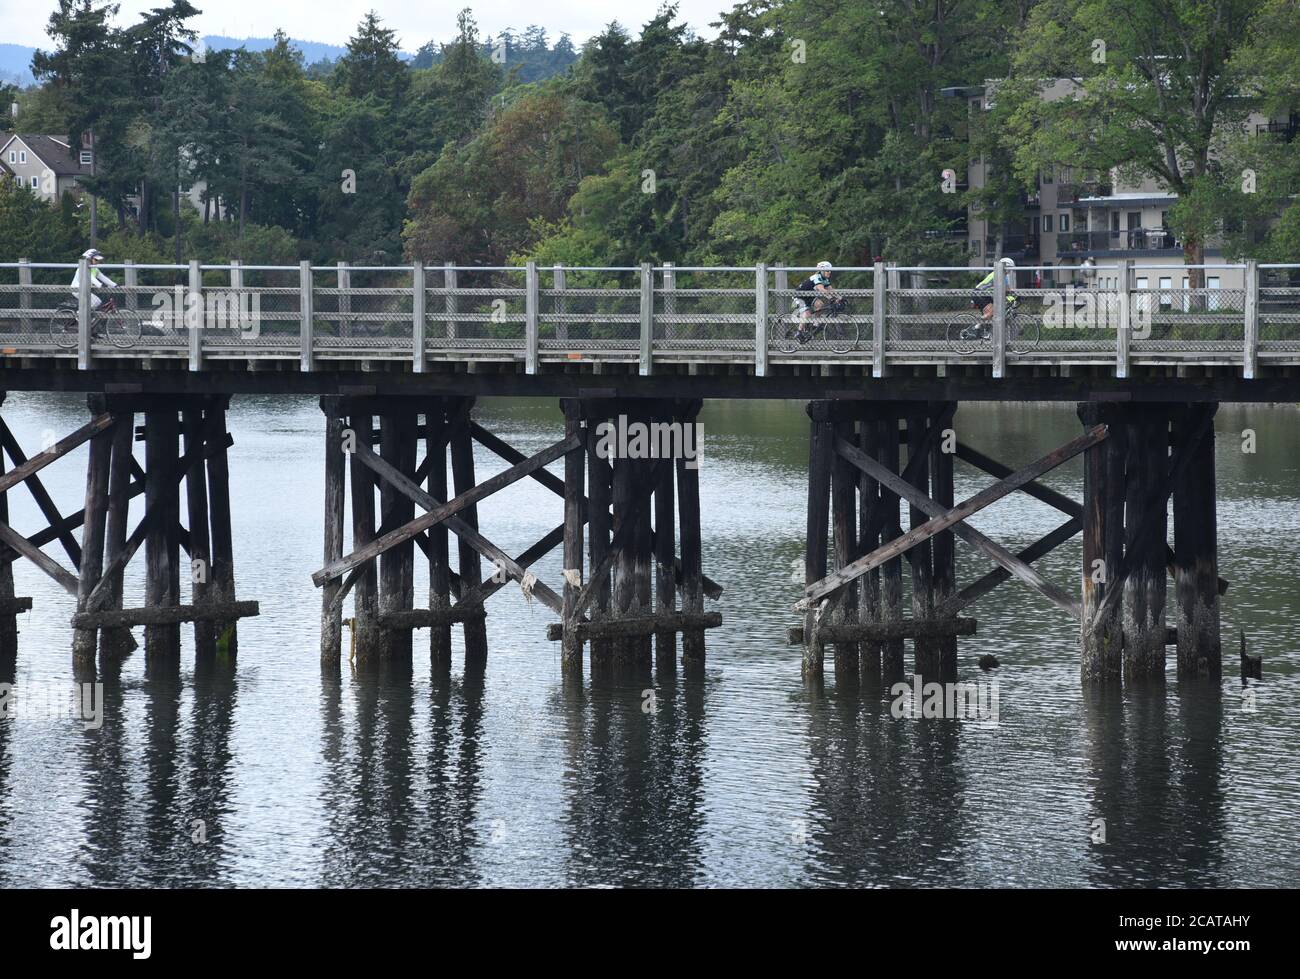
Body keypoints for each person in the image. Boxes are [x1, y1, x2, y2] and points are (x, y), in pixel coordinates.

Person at [971, 256, 1017, 336]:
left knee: (996, 312)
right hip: (979, 293)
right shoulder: (996, 274)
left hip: (986, 295)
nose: (1010, 271)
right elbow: (1003, 290)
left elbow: (1008, 290)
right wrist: (1011, 297)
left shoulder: (1004, 276)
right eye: (1010, 268)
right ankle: (975, 326)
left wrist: (1016, 296)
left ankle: (984, 329)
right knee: (993, 311)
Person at [794, 261, 838, 341]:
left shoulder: (825, 279)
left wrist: (840, 298)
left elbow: (831, 290)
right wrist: (831, 298)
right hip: (800, 296)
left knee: (820, 304)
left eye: (830, 271)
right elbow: (821, 289)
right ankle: (799, 332)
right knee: (807, 313)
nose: (829, 272)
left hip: (809, 296)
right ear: (822, 271)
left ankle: (815, 324)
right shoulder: (816, 277)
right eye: (827, 270)